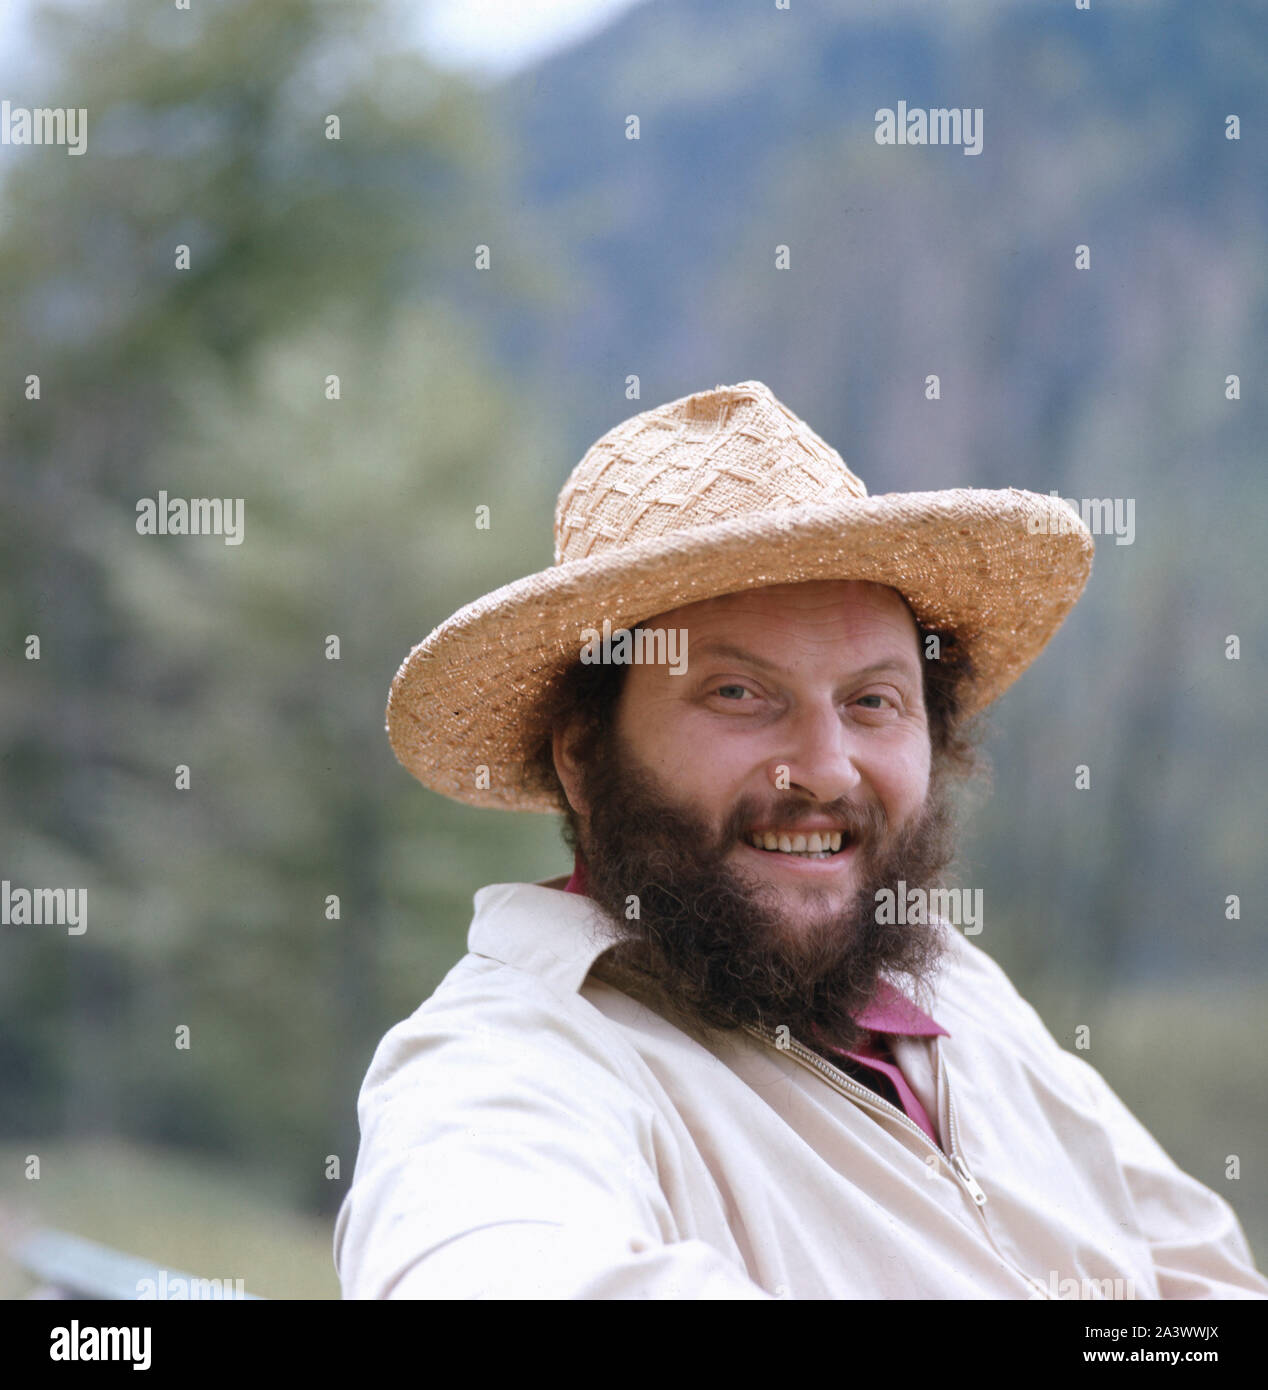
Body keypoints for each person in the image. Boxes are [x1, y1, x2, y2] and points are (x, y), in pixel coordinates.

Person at [334, 380, 1268, 1299]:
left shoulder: (957, 989)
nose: (824, 770)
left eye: (873, 701)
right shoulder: (505, 1065)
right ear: (583, 753)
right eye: (738, 693)